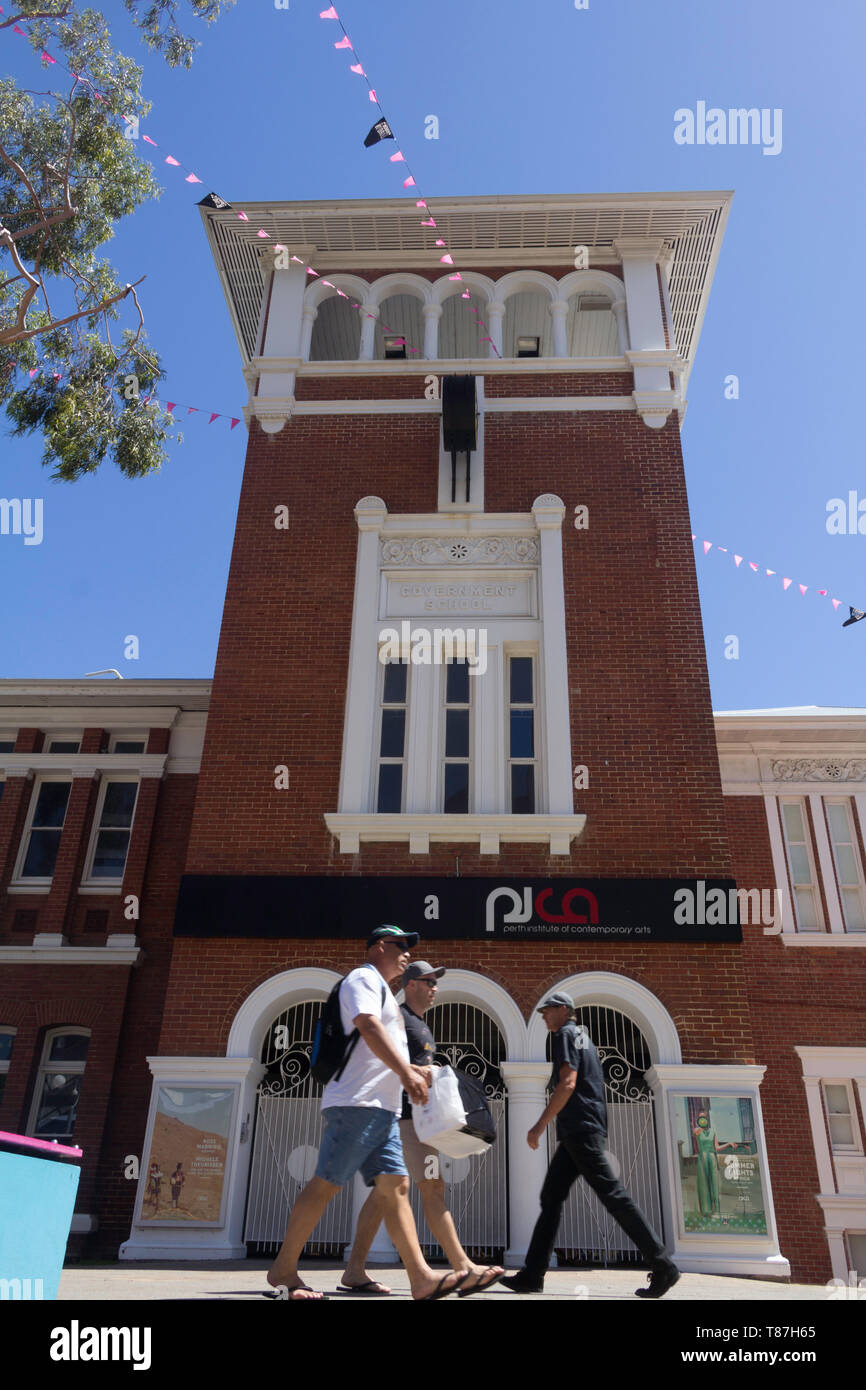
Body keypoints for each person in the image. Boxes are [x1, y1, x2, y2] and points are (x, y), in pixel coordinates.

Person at [266, 925, 470, 1302]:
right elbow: (366, 1025)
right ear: (378, 946)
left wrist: (418, 1071)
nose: (407, 952)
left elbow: (380, 1046)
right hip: (356, 1103)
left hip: (382, 1110)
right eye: (401, 945)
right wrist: (407, 1072)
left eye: (410, 947)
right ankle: (283, 1269)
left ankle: (421, 1278)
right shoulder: (363, 978)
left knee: (397, 1187)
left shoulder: (387, 995)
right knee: (327, 1183)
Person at [499, 993, 680, 1299]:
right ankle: (532, 1275)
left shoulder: (566, 1035)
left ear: (563, 1010)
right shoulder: (584, 1036)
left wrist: (539, 1125)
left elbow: (567, 1083)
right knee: (551, 1196)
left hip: (580, 1129)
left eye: (547, 1011)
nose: (543, 1016)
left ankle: (663, 1265)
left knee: (614, 1196)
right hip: (581, 1129)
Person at [341, 961, 504, 1297]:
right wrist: (419, 1071)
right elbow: (374, 1058)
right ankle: (464, 1267)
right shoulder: (397, 1019)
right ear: (411, 984)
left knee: (384, 1193)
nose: (435, 988)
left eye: (435, 983)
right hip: (403, 1122)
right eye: (429, 982)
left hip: (413, 1122)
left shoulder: (417, 1025)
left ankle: (354, 1270)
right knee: (432, 1188)